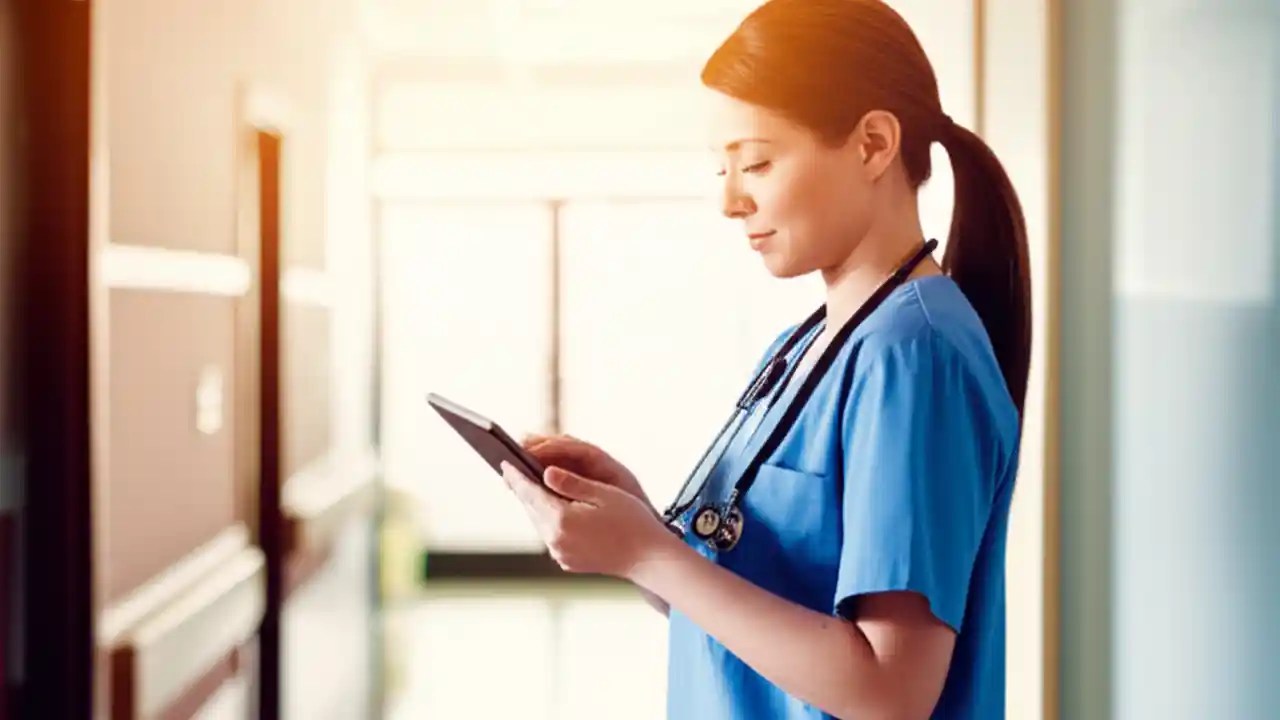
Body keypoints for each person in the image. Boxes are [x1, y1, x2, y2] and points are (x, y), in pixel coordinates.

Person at [499, 0, 1031, 717]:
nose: (729, 200)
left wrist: (650, 554)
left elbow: (890, 690)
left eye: (756, 162)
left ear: (873, 144)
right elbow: (749, 611)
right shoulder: (802, 347)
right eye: (719, 168)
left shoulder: (914, 357)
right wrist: (637, 528)